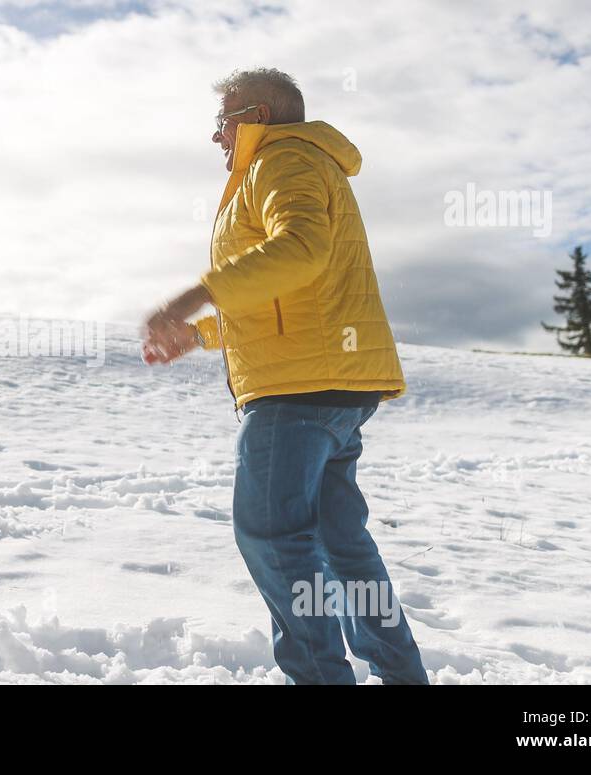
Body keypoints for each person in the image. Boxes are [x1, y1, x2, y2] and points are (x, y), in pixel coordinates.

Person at [142, 68, 428, 684]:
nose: (216, 136)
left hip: (295, 392)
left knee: (274, 537)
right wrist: (201, 334)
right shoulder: (300, 163)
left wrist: (193, 297)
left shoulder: (282, 160)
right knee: (341, 545)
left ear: (257, 116)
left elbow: (301, 249)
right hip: (333, 383)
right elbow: (292, 297)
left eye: (223, 121)